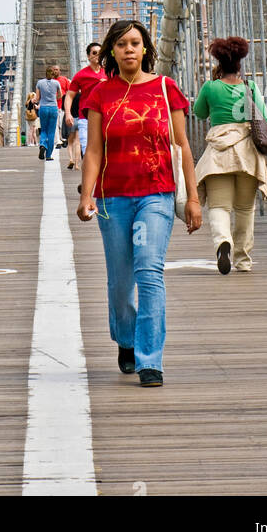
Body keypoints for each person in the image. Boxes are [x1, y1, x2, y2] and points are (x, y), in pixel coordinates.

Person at [77, 19, 201, 386]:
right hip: (112, 198)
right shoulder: (100, 94)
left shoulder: (166, 88)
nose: (129, 49)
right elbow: (94, 150)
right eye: (121, 44)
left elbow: (182, 147)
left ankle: (151, 360)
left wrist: (193, 199)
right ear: (111, 52)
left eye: (135, 43)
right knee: (120, 283)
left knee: (149, 272)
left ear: (145, 48)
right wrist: (86, 196)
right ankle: (126, 340)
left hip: (156, 195)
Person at [193, 35, 267, 274]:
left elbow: (198, 113)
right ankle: (243, 260)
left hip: (219, 153)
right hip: (247, 154)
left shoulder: (210, 87)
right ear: (239, 64)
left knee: (219, 206)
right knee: (245, 209)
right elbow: (265, 119)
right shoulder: (250, 87)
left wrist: (213, 90)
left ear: (219, 63)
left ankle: (222, 242)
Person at [64, 43, 106, 169]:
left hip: (105, 117)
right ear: (88, 56)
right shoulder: (81, 75)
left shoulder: (109, 73)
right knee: (86, 148)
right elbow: (70, 95)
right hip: (85, 118)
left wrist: (108, 84)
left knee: (105, 150)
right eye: (94, 53)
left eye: (100, 52)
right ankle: (88, 176)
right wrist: (68, 113)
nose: (97, 55)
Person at [34, 67, 62, 160]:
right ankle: (49, 155)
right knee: (51, 132)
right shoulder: (56, 83)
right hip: (53, 108)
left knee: (44, 130)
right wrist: (54, 97)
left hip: (44, 108)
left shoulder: (40, 83)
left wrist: (33, 100)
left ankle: (42, 144)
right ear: (53, 74)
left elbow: (37, 98)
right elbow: (60, 95)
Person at [51, 64, 71, 157]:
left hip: (63, 105)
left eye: (57, 69)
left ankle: (64, 139)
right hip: (53, 105)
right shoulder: (49, 81)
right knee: (55, 124)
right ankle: (58, 141)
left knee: (63, 123)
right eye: (54, 69)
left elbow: (70, 91)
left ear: (60, 71)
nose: (55, 71)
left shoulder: (64, 80)